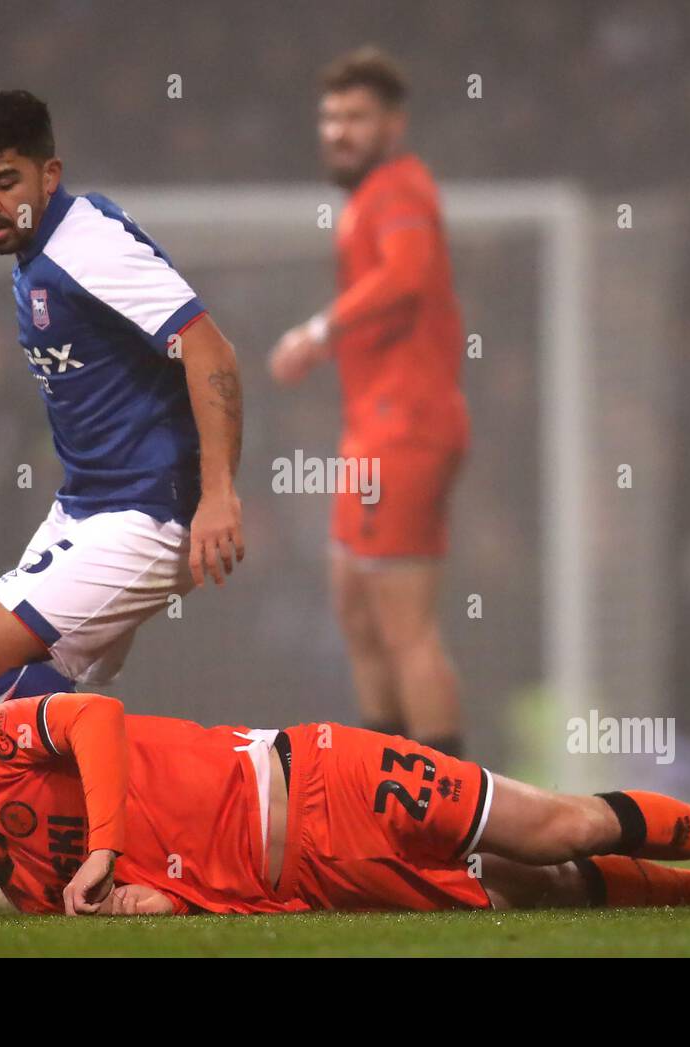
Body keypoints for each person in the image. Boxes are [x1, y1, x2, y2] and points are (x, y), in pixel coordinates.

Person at [0, 693, 690, 915]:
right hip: (317, 880)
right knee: (544, 892)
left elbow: (96, 718)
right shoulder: (43, 904)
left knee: (558, 825)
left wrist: (103, 845)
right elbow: (178, 900)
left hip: (320, 771)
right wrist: (153, 908)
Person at [0, 90, 245, 708]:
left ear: (50, 175)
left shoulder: (88, 248)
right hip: (87, 505)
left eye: (5, 181)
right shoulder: (34, 253)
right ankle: (119, 796)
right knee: (32, 725)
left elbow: (211, 351)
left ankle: (169, 778)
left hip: (151, 511)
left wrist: (217, 494)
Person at [268, 48, 469, 755]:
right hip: (374, 428)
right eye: (330, 117)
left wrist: (319, 330)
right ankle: (391, 794)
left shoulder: (398, 189)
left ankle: (451, 816)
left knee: (403, 623)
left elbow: (409, 275)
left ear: (393, 124)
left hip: (406, 427)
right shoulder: (370, 199)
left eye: (356, 117)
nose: (338, 131)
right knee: (355, 604)